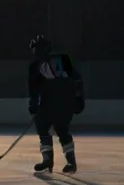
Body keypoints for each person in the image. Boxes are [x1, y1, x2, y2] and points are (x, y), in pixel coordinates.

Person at [27, 35, 85, 174]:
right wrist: (78, 99)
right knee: (59, 129)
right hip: (63, 103)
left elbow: (34, 90)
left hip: (55, 103)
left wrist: (34, 107)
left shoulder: (36, 66)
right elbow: (77, 81)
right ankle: (67, 162)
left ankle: (51, 160)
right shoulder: (62, 60)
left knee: (46, 129)